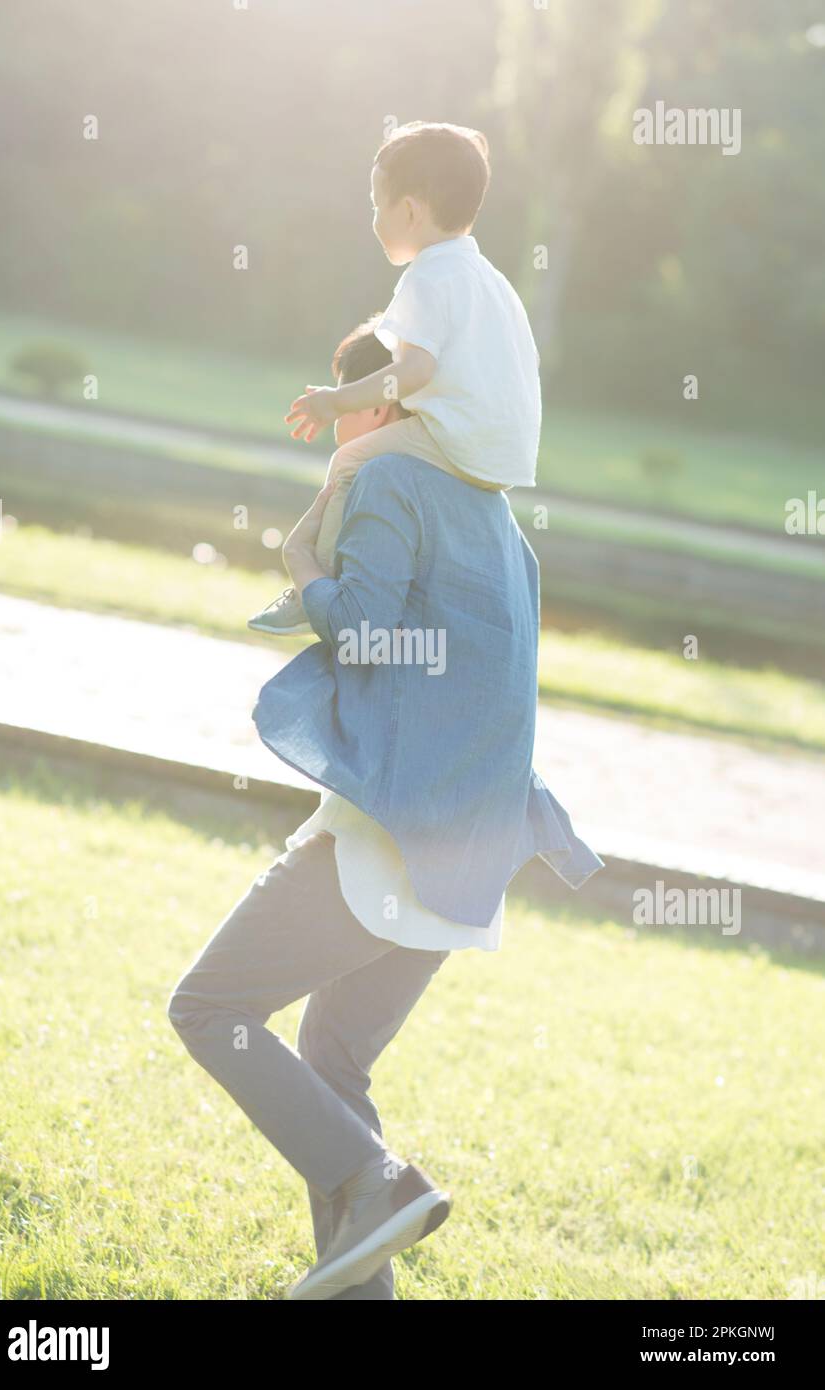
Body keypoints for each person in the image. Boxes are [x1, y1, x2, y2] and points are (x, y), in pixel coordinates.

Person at [167, 313, 603, 1300]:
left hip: (390, 837)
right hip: (474, 845)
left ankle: (377, 1178)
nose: (332, 428)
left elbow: (366, 633)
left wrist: (301, 564)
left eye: (342, 405)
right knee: (332, 1060)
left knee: (209, 1006)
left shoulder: (387, 480)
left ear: (382, 403)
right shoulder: (497, 518)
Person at [248, 119, 540, 635]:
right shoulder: (493, 282)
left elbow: (413, 371)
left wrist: (336, 402)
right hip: (506, 457)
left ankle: (317, 588)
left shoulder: (428, 274)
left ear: (409, 210)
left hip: (460, 443)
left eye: (376, 206)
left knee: (349, 461)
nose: (374, 220)